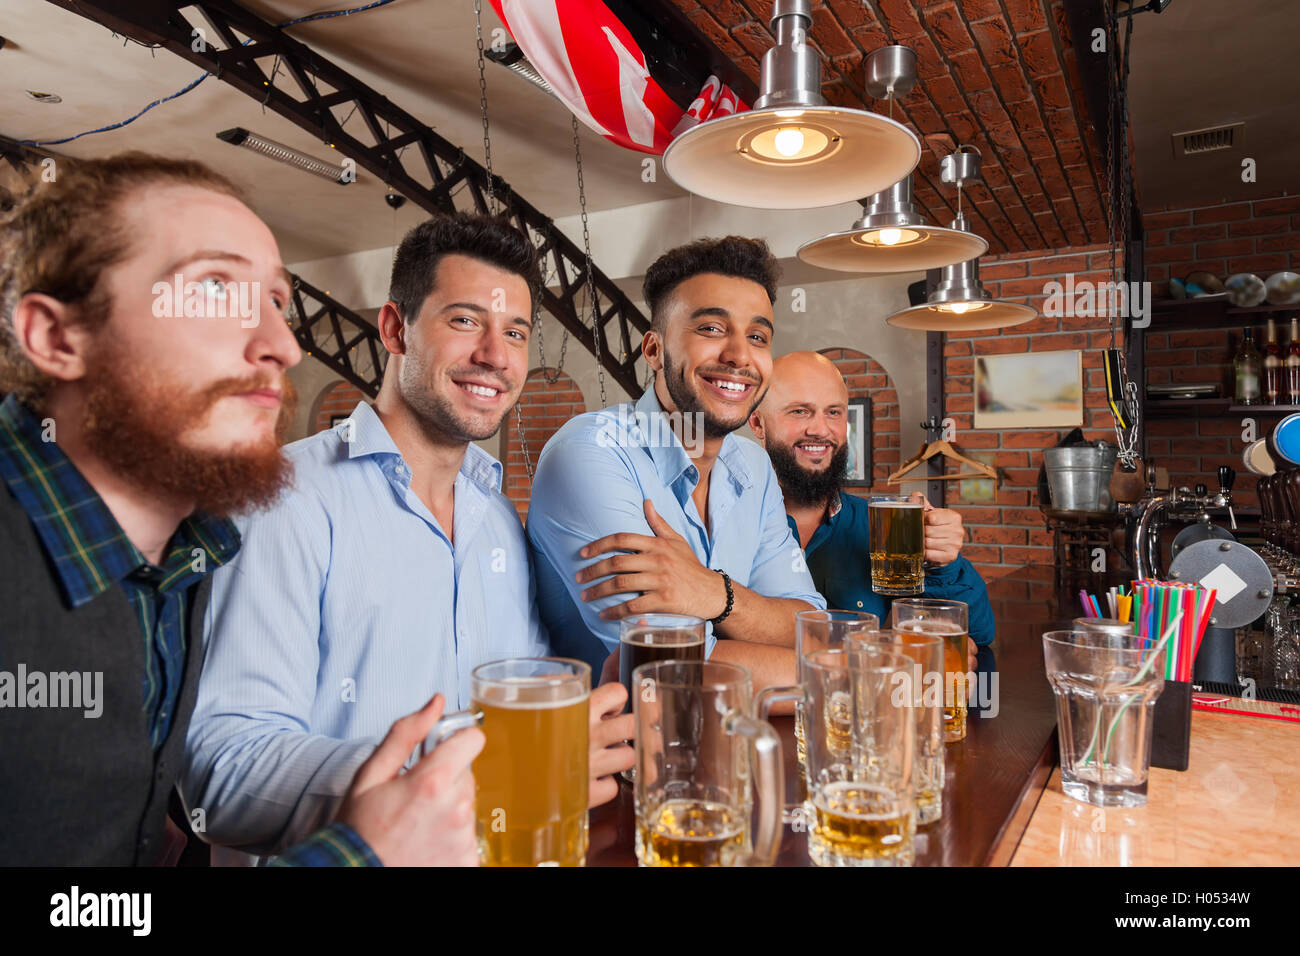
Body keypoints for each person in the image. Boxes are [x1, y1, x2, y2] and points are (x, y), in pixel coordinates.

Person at [0, 152, 482, 866]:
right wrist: (362, 855)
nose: (282, 347)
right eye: (216, 290)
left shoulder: (190, 557)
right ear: (57, 337)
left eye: (278, 303)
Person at [181, 212, 635, 862]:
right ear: (395, 328)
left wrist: (595, 692)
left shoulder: (500, 519)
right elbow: (222, 772)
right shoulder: (281, 499)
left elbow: (519, 705)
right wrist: (492, 769)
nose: (495, 355)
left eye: (515, 331)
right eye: (464, 320)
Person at [527, 236, 825, 689]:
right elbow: (672, 672)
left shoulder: (754, 465)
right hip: (615, 754)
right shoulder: (592, 452)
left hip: (735, 745)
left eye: (758, 337)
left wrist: (715, 595)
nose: (739, 356)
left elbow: (809, 628)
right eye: (710, 328)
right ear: (653, 350)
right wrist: (841, 673)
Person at [748, 350, 995, 663]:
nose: (821, 430)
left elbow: (978, 633)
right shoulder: (725, 520)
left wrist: (942, 563)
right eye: (800, 412)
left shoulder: (879, 524)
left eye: (834, 413)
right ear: (758, 423)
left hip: (860, 706)